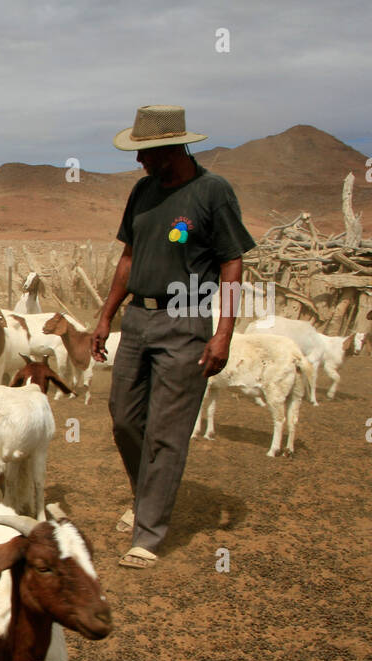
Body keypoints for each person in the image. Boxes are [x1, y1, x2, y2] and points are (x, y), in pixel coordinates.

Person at [92, 105, 256, 569]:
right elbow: (128, 257)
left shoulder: (212, 192)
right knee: (123, 416)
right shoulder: (143, 191)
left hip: (186, 320)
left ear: (171, 149)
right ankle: (148, 496)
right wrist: (106, 317)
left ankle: (148, 533)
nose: (139, 162)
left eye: (146, 153)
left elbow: (231, 262)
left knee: (167, 430)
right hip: (137, 321)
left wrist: (224, 333)